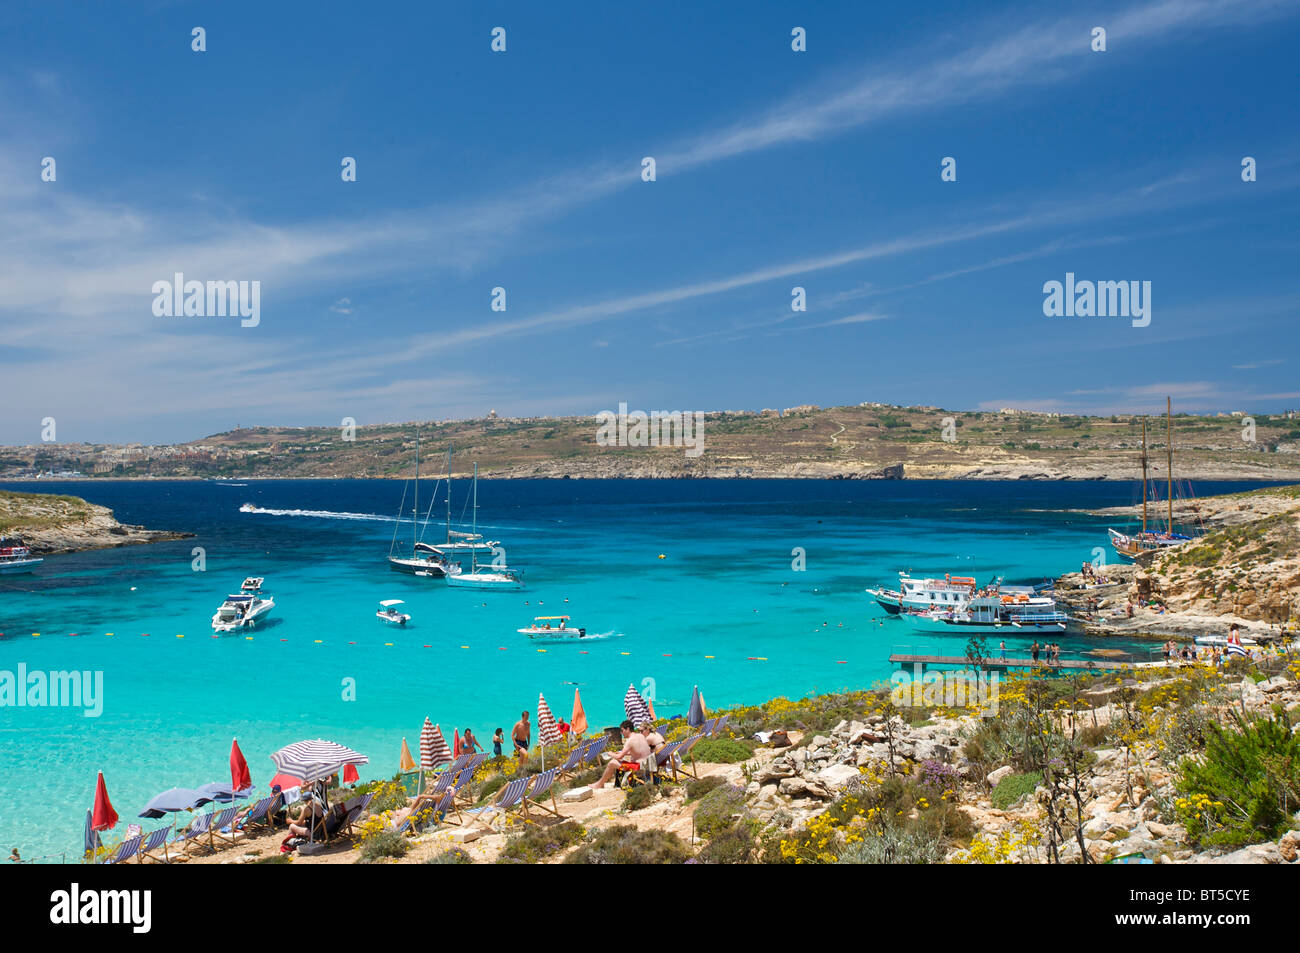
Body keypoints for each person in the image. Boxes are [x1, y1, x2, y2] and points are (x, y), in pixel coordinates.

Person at [590, 720, 651, 790]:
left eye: (622, 730)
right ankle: (602, 783)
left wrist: (611, 754)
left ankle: (599, 784)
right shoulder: (640, 736)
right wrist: (620, 753)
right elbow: (638, 750)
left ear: (628, 729)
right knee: (621, 761)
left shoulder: (630, 741)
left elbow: (619, 757)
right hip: (648, 765)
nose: (621, 733)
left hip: (639, 768)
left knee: (612, 763)